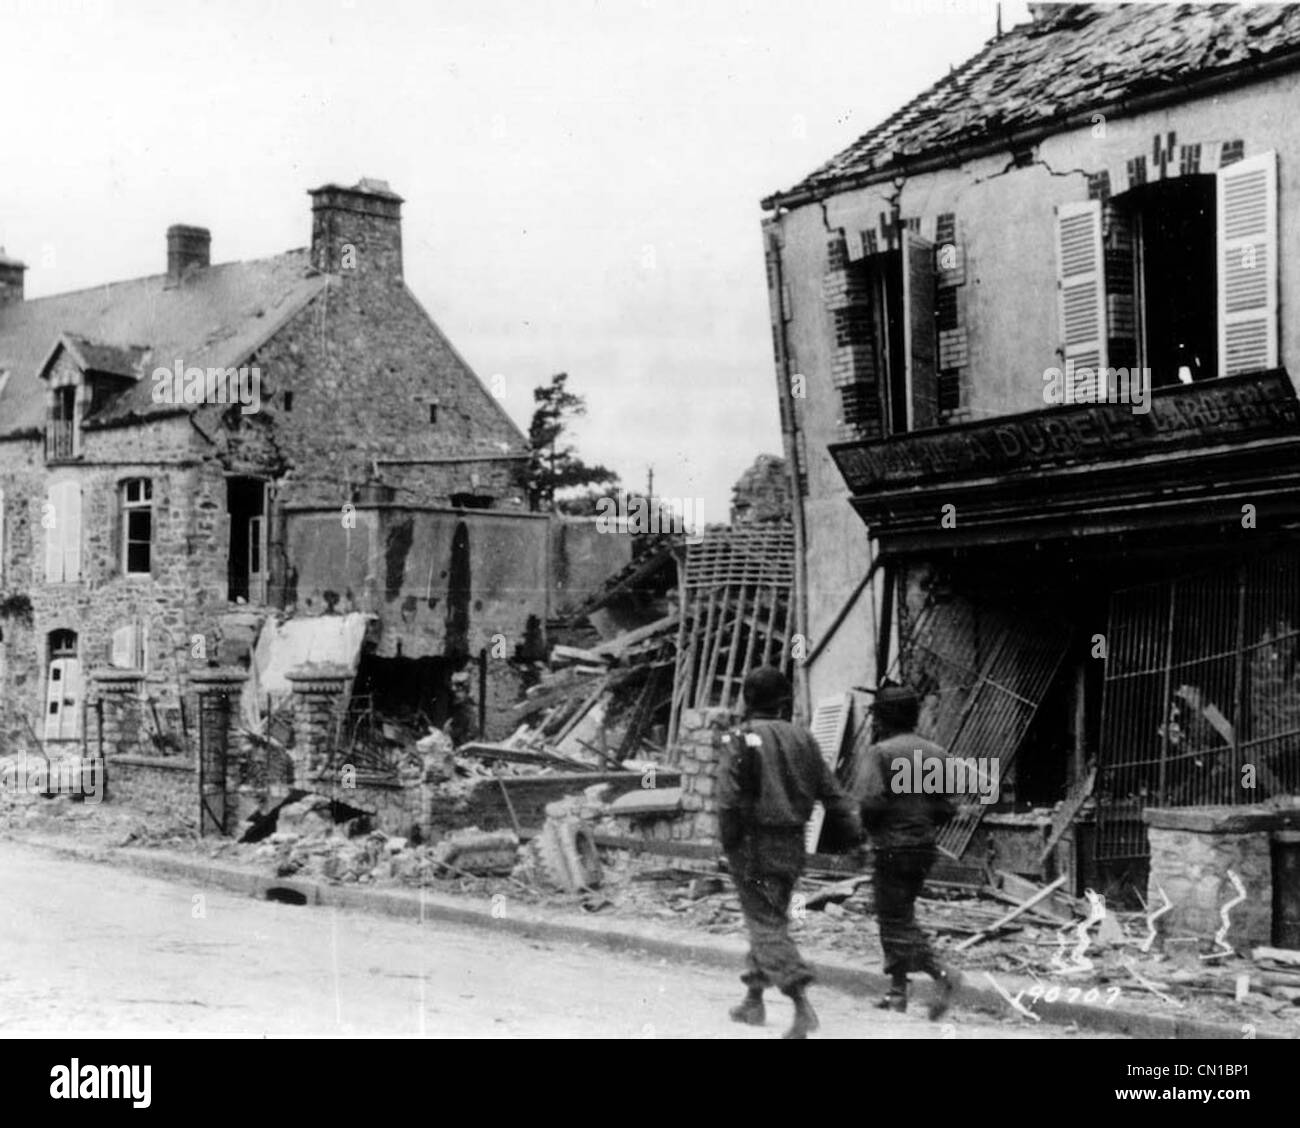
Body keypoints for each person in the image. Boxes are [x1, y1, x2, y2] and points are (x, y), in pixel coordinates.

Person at [717, 666, 861, 1039]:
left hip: (753, 846)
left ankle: (800, 1003)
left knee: (764, 924)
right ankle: (753, 1000)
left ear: (747, 699)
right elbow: (833, 794)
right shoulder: (805, 739)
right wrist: (857, 837)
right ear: (783, 701)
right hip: (792, 845)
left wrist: (729, 842)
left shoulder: (739, 738)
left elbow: (729, 800)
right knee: (769, 920)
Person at [845, 683, 962, 1019]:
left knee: (894, 920)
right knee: (898, 915)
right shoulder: (935, 752)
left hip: (891, 848)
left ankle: (942, 973)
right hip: (924, 848)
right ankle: (897, 992)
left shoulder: (880, 753)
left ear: (883, 717)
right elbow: (947, 809)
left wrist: (868, 830)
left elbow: (871, 802)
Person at [443, 670, 480, 747]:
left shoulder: (466, 707)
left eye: (458, 686)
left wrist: (449, 732)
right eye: (453, 685)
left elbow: (464, 727)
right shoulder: (458, 704)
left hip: (465, 742)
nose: (453, 689)